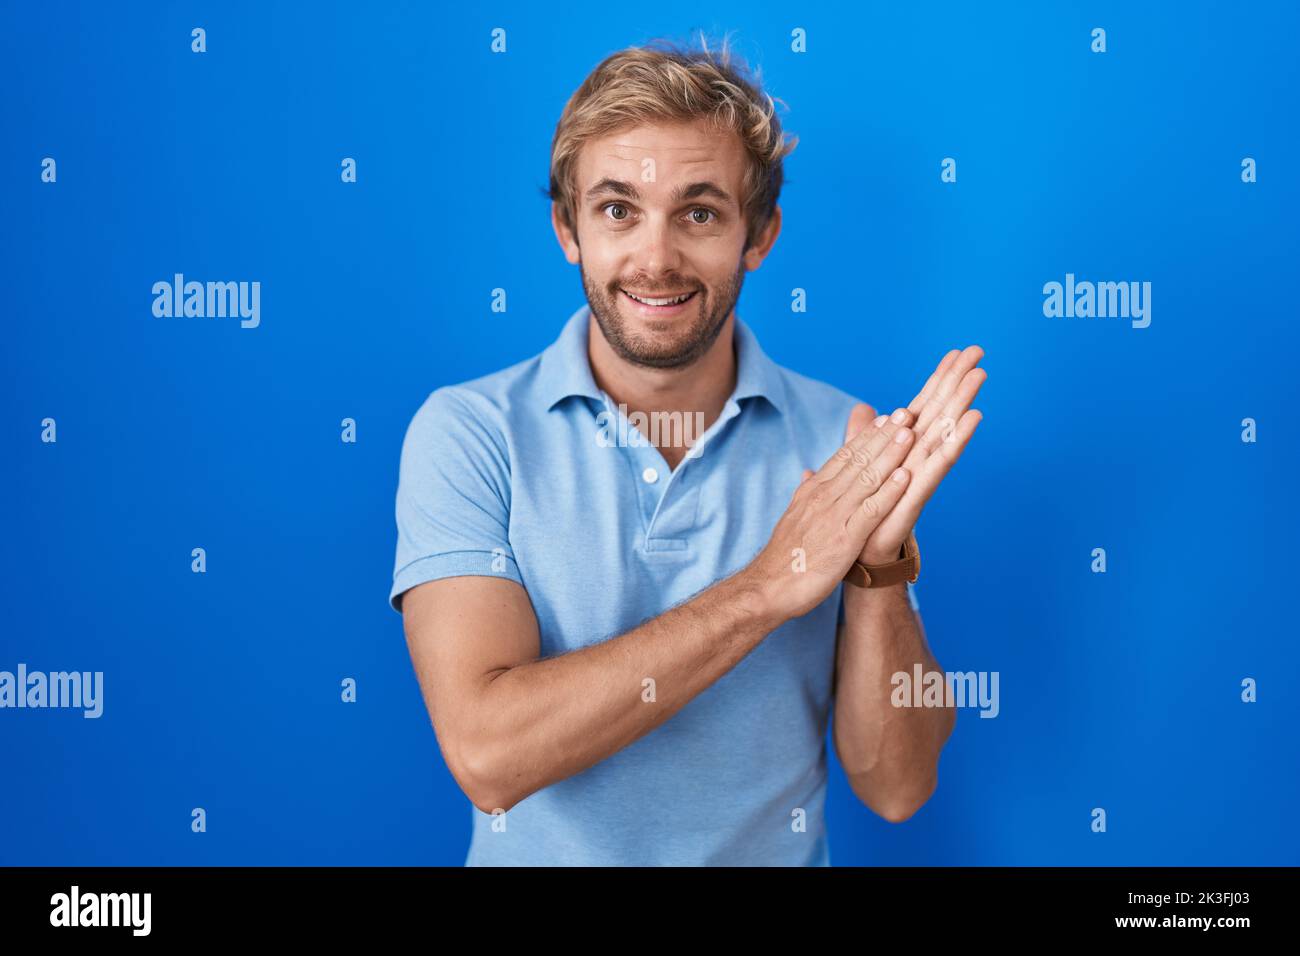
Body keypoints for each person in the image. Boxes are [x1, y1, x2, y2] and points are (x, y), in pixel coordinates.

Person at [389, 35, 986, 865]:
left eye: (699, 212)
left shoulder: (841, 440)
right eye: (617, 210)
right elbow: (490, 755)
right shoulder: (469, 434)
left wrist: (876, 569)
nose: (656, 258)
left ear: (760, 234)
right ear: (568, 228)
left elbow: (897, 787)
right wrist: (769, 586)